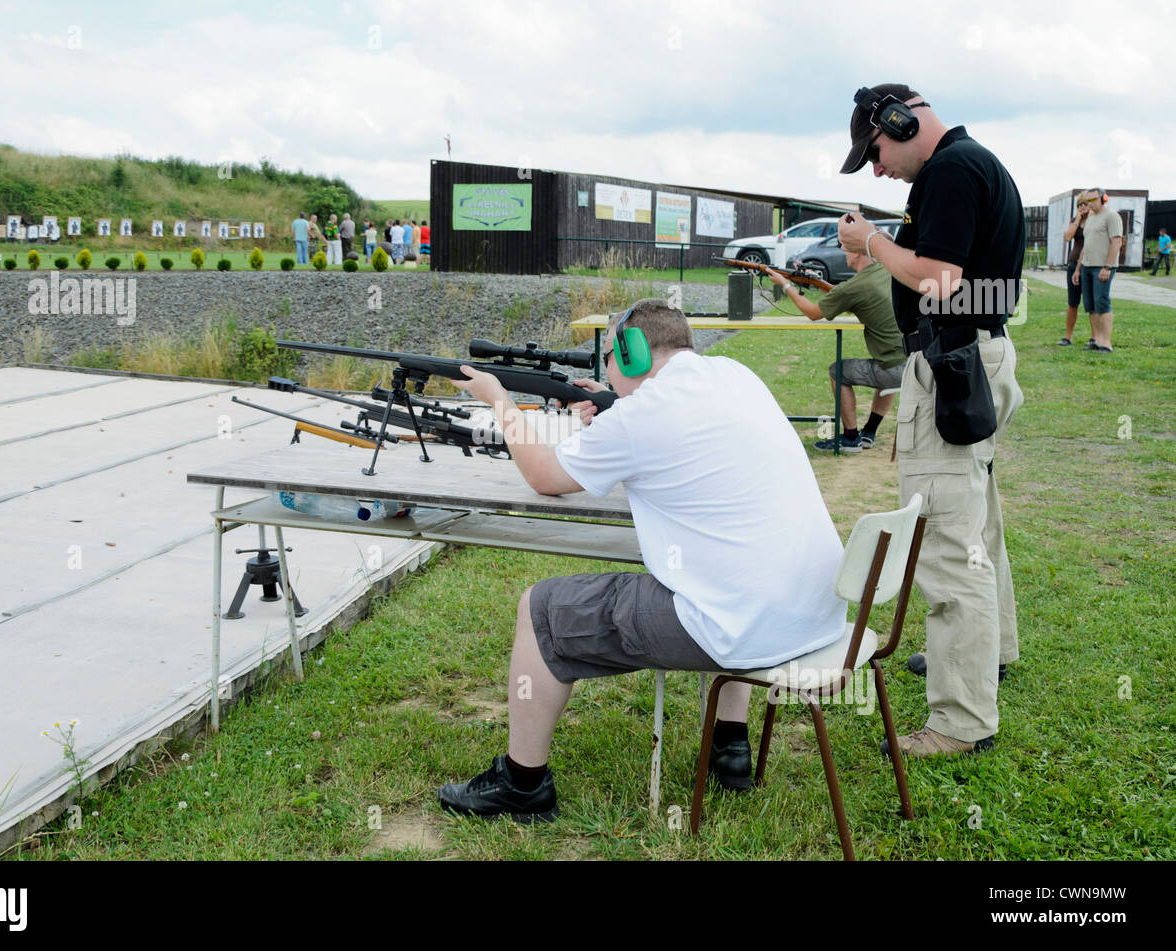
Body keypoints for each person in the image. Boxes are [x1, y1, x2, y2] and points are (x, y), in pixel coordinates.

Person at [437, 299, 848, 821]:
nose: (606, 366)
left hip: (745, 624)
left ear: (629, 353)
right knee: (735, 574)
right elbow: (679, 429)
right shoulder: (734, 375)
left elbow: (544, 476)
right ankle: (731, 747)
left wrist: (499, 399)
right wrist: (616, 403)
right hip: (811, 611)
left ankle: (522, 785)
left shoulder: (640, 416)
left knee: (541, 609)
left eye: (609, 356)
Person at [838, 83, 1024, 757]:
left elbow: (941, 281)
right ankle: (991, 653)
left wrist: (873, 242)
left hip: (952, 359)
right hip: (972, 357)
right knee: (977, 523)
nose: (879, 166)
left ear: (899, 119)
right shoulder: (971, 163)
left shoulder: (949, 171)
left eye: (877, 150)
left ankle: (961, 718)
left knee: (947, 543)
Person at [763, 248, 904, 453]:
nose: (843, 253)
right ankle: (869, 433)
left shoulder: (855, 286)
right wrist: (818, 283)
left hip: (893, 370)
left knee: (837, 371)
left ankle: (850, 437)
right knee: (885, 367)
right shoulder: (883, 270)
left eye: (846, 249)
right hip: (913, 362)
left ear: (857, 254)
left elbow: (812, 312)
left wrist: (785, 285)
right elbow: (847, 301)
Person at [1071, 188, 1122, 353]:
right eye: (1088, 200)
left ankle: (1106, 343)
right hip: (1086, 266)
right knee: (1091, 306)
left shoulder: (1111, 216)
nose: (1090, 203)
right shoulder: (1091, 220)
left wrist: (1107, 266)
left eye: (1093, 200)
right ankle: (1096, 340)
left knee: (1102, 302)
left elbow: (1116, 242)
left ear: (1103, 199)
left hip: (1102, 267)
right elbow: (1086, 247)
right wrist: (1078, 269)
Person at [1057, 195, 1092, 346]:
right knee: (1073, 303)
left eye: (1086, 204)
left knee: (1091, 303)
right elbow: (1067, 237)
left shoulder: (1095, 220)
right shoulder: (1075, 220)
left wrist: (1089, 218)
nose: (1083, 206)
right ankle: (1068, 337)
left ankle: (1095, 337)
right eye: (1080, 204)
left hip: (1090, 264)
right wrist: (1077, 220)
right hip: (1073, 264)